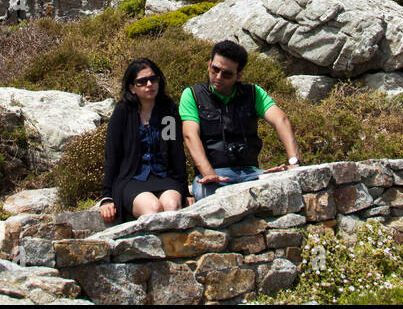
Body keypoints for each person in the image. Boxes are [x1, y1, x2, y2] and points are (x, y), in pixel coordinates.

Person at [180, 39, 300, 201]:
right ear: (209, 64)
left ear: (239, 76)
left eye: (227, 74)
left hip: (252, 172)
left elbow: (281, 120)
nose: (218, 76)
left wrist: (294, 162)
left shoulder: (253, 92)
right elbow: (190, 136)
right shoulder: (192, 95)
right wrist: (209, 173)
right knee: (209, 199)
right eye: (215, 69)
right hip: (213, 174)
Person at [97, 59, 188, 224]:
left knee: (172, 205)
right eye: (142, 81)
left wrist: (185, 192)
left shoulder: (167, 111)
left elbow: (176, 152)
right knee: (153, 208)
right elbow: (112, 155)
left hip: (164, 176)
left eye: (154, 79)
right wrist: (106, 197)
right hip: (133, 179)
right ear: (132, 88)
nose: (149, 84)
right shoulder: (123, 112)